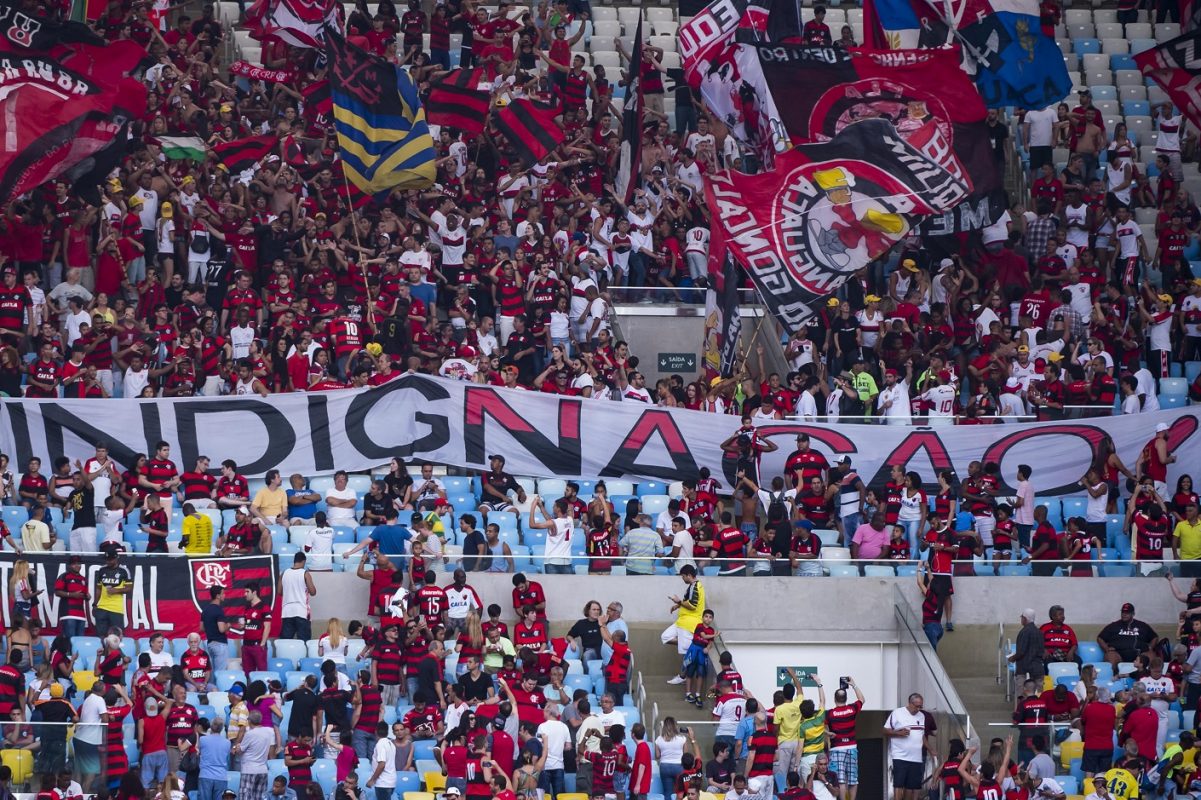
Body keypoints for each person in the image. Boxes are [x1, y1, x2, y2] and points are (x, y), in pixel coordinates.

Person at [884, 693, 930, 800]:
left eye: (920, 706)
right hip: (900, 756)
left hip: (916, 758)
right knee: (898, 784)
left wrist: (931, 750)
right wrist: (898, 733)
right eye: (916, 706)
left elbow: (921, 735)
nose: (918, 709)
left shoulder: (921, 716)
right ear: (909, 703)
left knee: (911, 787)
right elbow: (884, 730)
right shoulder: (897, 713)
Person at [279, 552, 317, 641]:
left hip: (287, 611)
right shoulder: (305, 573)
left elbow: (279, 592)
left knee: (285, 642)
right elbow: (313, 592)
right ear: (304, 561)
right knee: (304, 642)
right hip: (301, 611)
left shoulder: (284, 573)